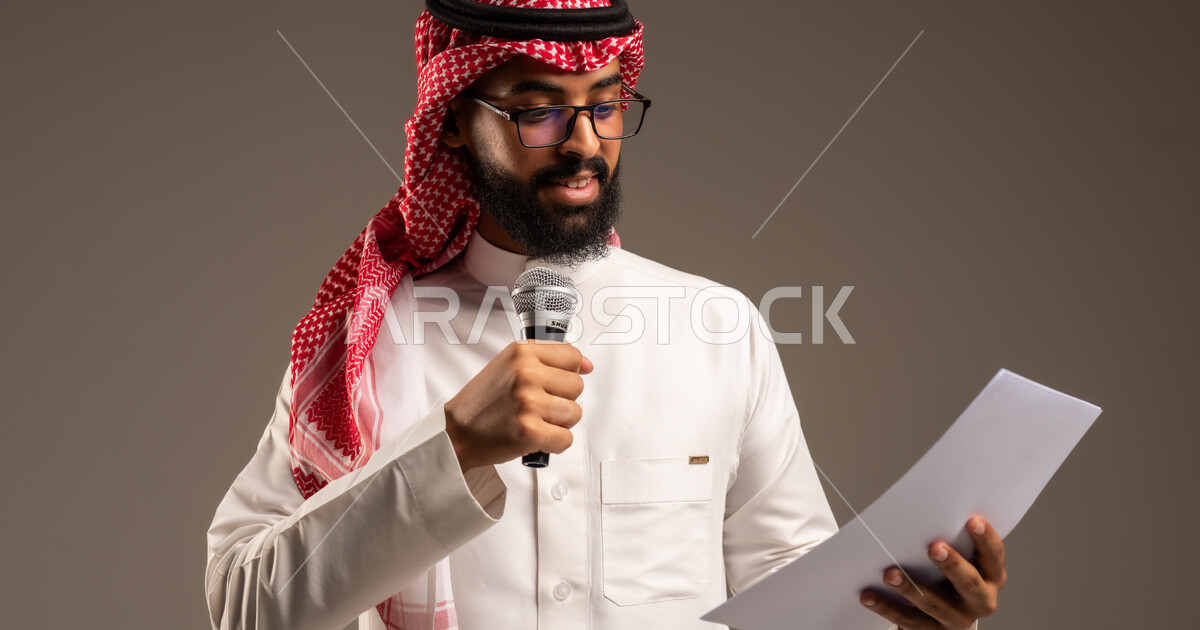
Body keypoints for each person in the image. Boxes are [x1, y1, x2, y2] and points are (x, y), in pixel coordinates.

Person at [205, 2, 1007, 629]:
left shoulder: (718, 328)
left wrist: (912, 620)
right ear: (454, 116)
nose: (584, 143)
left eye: (606, 104)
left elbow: (795, 606)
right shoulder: (370, 342)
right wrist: (450, 449)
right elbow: (244, 606)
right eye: (538, 110)